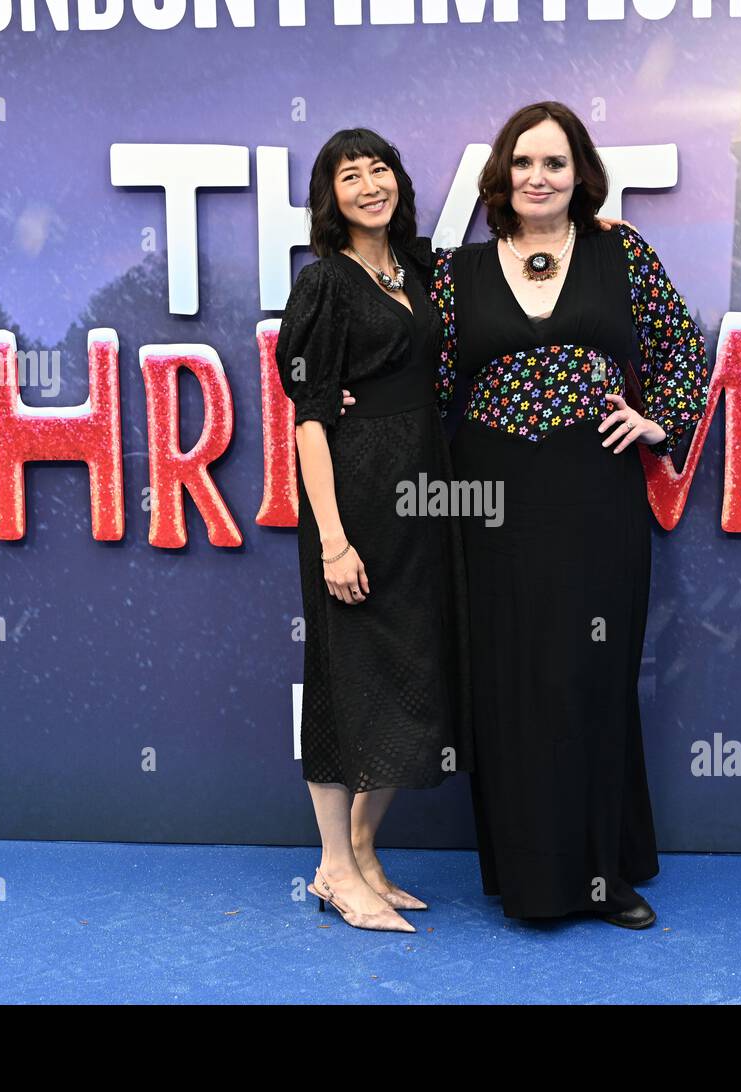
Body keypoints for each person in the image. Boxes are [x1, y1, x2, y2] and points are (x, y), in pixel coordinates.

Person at [428, 102, 712, 927]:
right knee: (515, 680)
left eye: (554, 164)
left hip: (595, 493)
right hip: (492, 498)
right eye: (523, 163)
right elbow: (425, 388)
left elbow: (679, 347)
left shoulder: (619, 251)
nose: (538, 178)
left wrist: (660, 418)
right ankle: (531, 880)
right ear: (501, 176)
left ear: (580, 174)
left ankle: (602, 876)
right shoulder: (458, 273)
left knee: (591, 677)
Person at [274, 128, 472, 934]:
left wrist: (594, 227)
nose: (368, 185)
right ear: (330, 197)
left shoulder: (420, 269)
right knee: (345, 680)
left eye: (378, 169)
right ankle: (331, 865)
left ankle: (362, 850)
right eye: (349, 176)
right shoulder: (324, 284)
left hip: (426, 497)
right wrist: (331, 538)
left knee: (418, 672)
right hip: (352, 500)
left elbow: (516, 259)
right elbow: (310, 421)